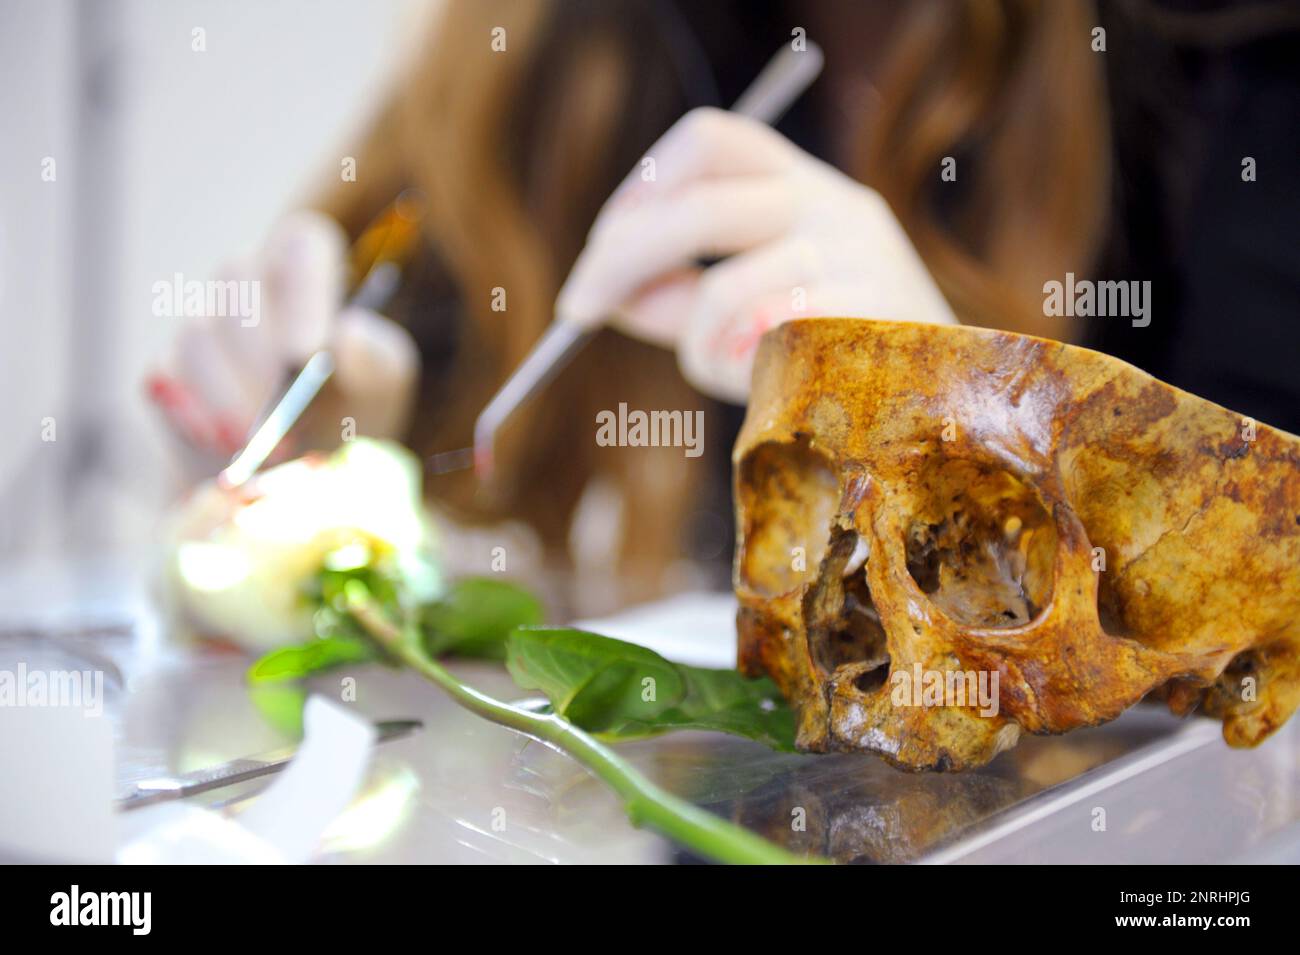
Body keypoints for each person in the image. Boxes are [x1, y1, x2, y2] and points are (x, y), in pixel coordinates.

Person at [154, 0, 1300, 616]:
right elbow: (429, 370)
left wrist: (961, 415)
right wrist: (334, 422)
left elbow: (1262, 621)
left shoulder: (1226, 71)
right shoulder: (592, 38)